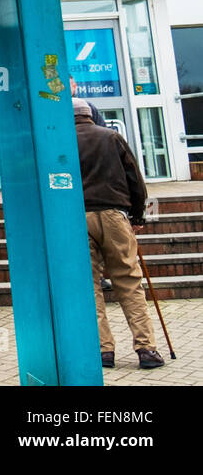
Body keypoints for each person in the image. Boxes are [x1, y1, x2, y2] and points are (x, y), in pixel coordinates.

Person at [74, 99, 164, 369]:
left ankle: (103, 350)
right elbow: (135, 179)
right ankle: (146, 349)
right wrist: (138, 216)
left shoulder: (62, 142)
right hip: (115, 215)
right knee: (129, 281)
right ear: (91, 115)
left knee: (89, 287)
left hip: (77, 219)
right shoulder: (112, 137)